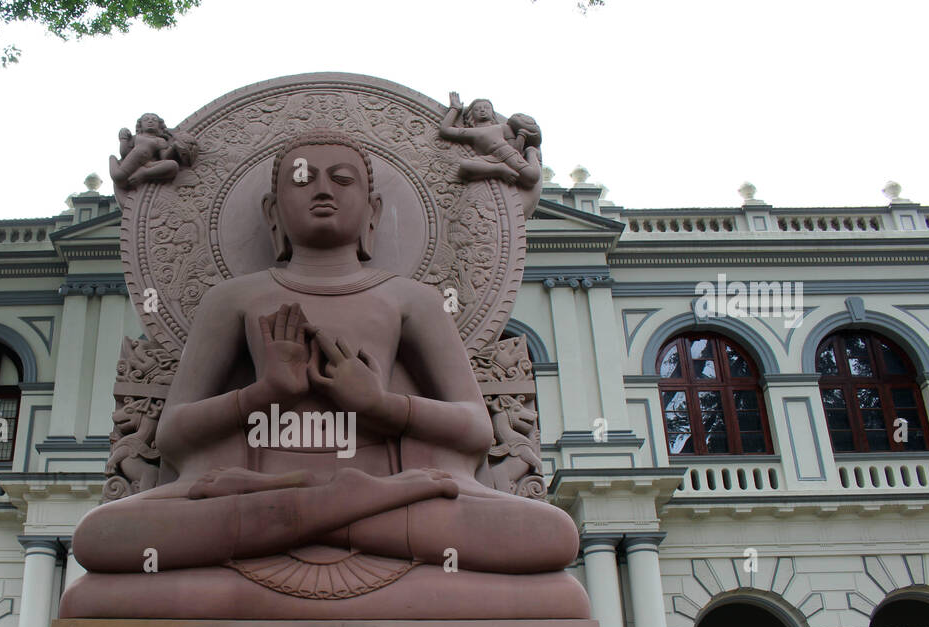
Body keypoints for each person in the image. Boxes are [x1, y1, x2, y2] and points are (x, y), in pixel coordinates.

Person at [72, 128, 578, 577]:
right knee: (100, 536)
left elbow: (475, 428)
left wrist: (381, 405)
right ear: (273, 212)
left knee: (550, 535)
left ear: (372, 211)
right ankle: (344, 515)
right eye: (301, 179)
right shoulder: (232, 299)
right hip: (269, 489)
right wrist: (264, 393)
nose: (321, 190)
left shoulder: (412, 300)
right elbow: (174, 435)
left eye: (341, 179)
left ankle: (308, 519)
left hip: (363, 490)